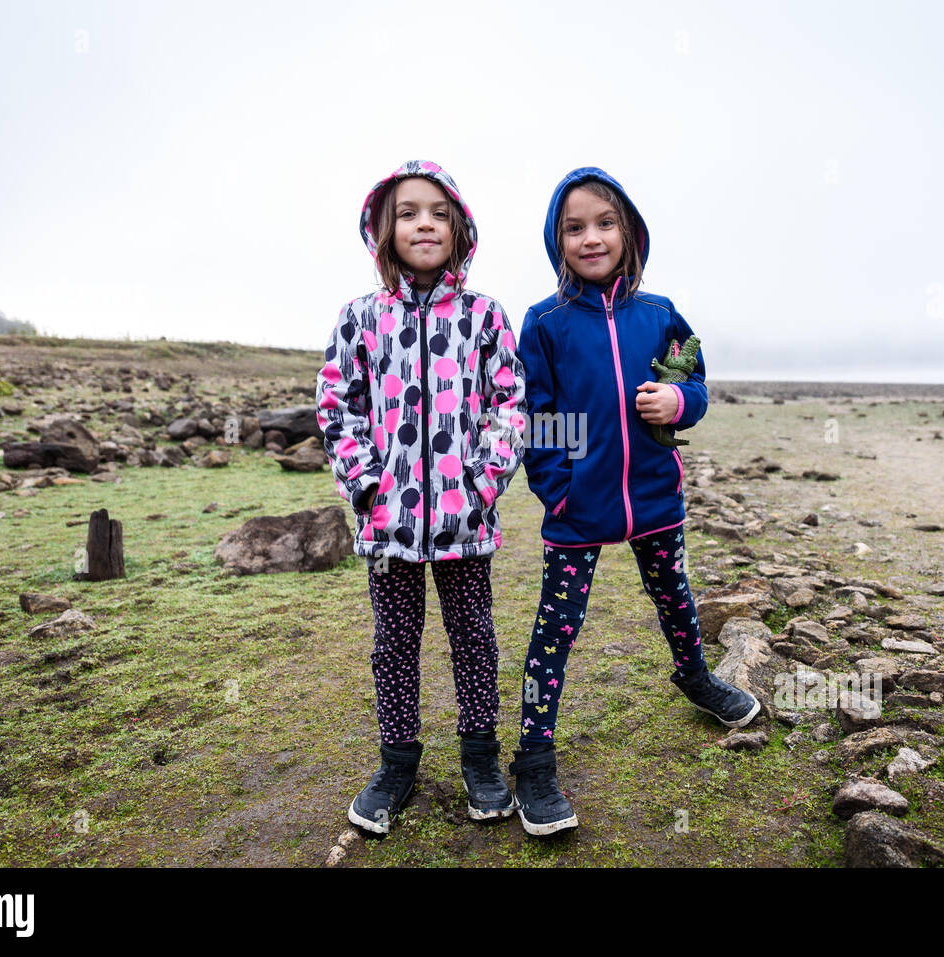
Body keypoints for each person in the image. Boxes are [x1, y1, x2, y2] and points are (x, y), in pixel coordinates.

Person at [511, 167, 760, 836]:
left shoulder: (661, 314)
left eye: (604, 223)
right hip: (578, 508)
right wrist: (559, 489)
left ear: (628, 231)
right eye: (574, 227)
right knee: (555, 629)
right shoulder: (544, 323)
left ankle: (696, 678)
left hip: (655, 497)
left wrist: (678, 400)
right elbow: (536, 420)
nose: (590, 237)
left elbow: (696, 381)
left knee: (675, 598)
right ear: (555, 239)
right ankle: (533, 752)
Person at [316, 160, 526, 834]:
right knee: (394, 642)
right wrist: (368, 481)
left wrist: (482, 482)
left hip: (466, 522)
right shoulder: (359, 319)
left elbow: (510, 406)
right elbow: (335, 404)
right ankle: (397, 762)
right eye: (408, 212)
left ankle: (480, 757)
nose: (424, 222)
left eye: (437, 211)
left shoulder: (485, 317)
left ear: (460, 229)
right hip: (388, 529)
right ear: (384, 230)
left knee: (473, 636)